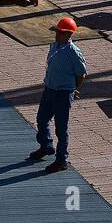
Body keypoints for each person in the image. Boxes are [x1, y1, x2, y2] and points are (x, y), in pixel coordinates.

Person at [28, 16, 88, 173]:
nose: (57, 35)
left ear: (69, 35)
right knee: (41, 119)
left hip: (63, 93)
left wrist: (73, 88)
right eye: (56, 31)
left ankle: (62, 160)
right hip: (49, 90)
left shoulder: (74, 53)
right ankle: (46, 145)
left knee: (61, 128)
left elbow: (81, 74)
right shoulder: (54, 46)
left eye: (61, 33)